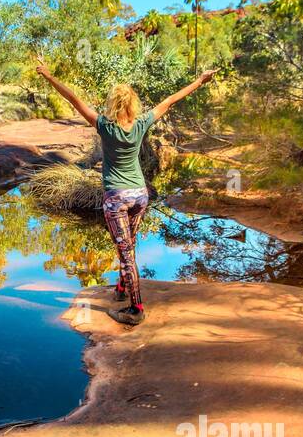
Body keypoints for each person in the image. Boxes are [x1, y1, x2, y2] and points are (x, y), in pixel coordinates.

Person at [35, 58, 216, 326]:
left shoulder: (105, 127)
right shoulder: (141, 123)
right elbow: (171, 100)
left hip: (116, 197)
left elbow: (74, 99)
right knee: (129, 244)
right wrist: (201, 80)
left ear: (113, 103)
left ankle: (136, 308)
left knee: (126, 253)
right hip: (139, 195)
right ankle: (121, 289)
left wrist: (48, 76)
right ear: (133, 103)